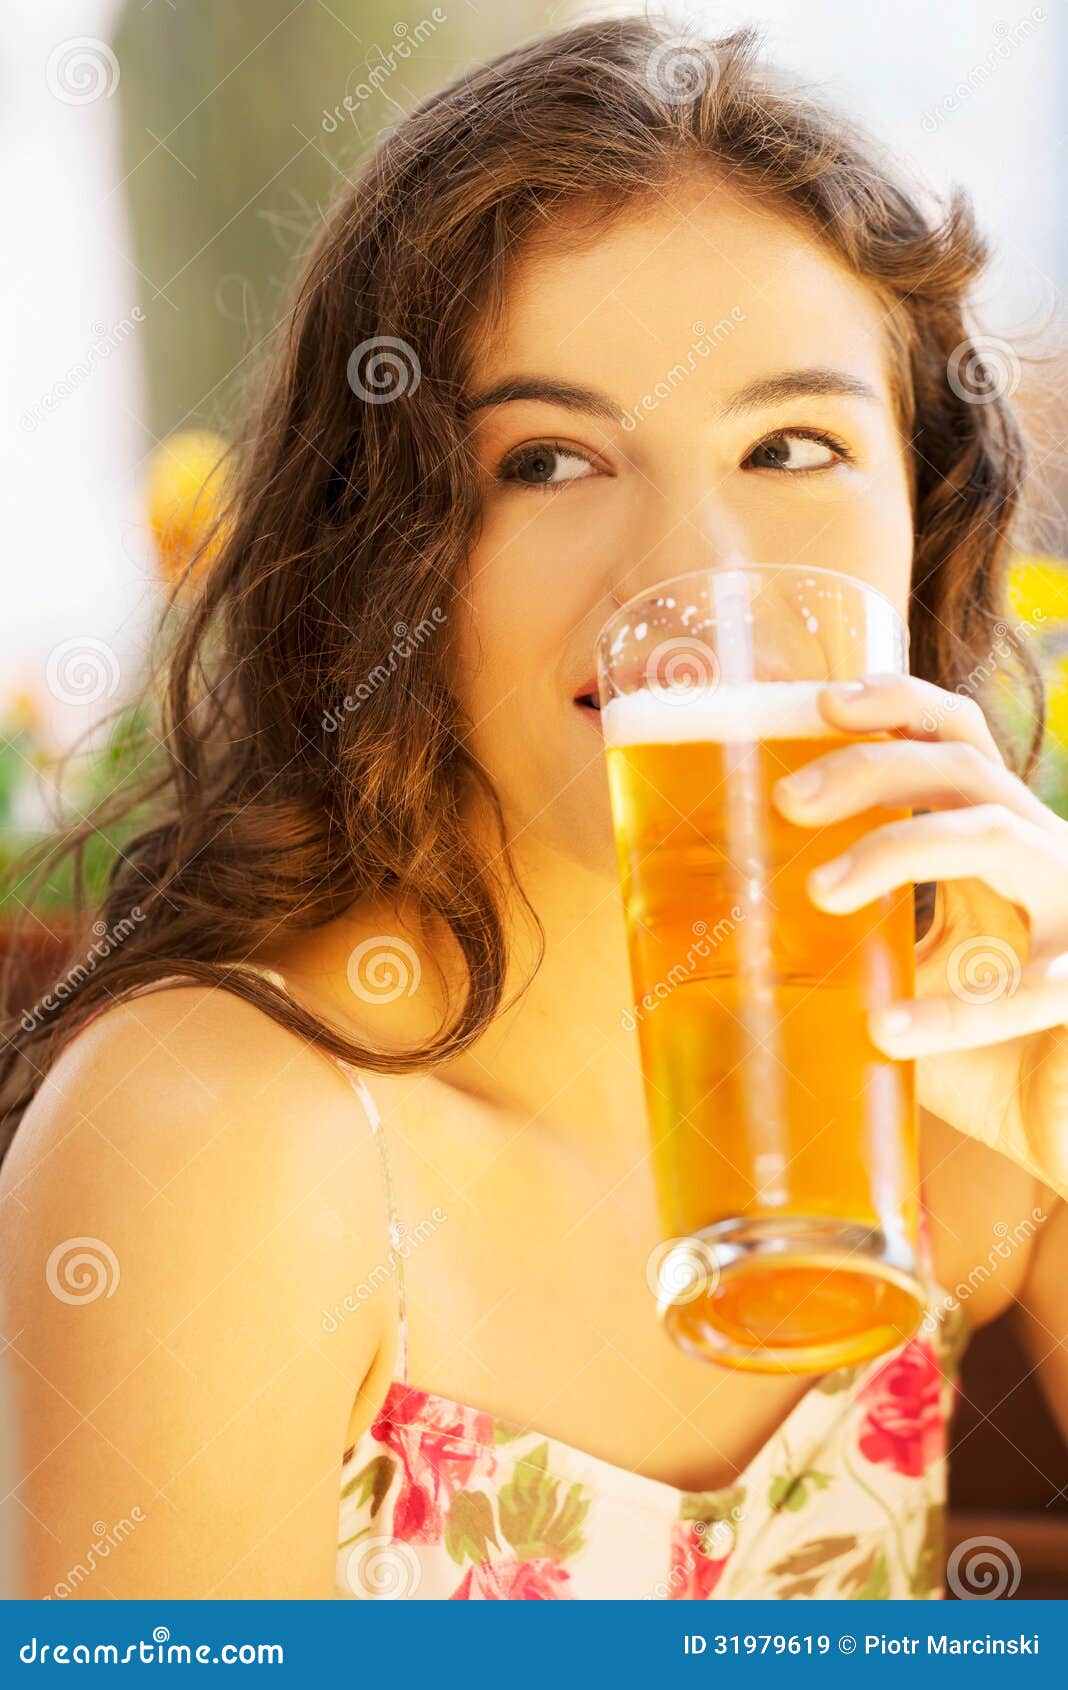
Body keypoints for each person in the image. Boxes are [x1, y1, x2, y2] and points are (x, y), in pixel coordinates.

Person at [2, 19, 1066, 1601]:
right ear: (389, 553)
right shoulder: (219, 1138)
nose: (694, 577)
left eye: (792, 444)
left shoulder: (965, 1102)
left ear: (924, 513)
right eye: (550, 462)